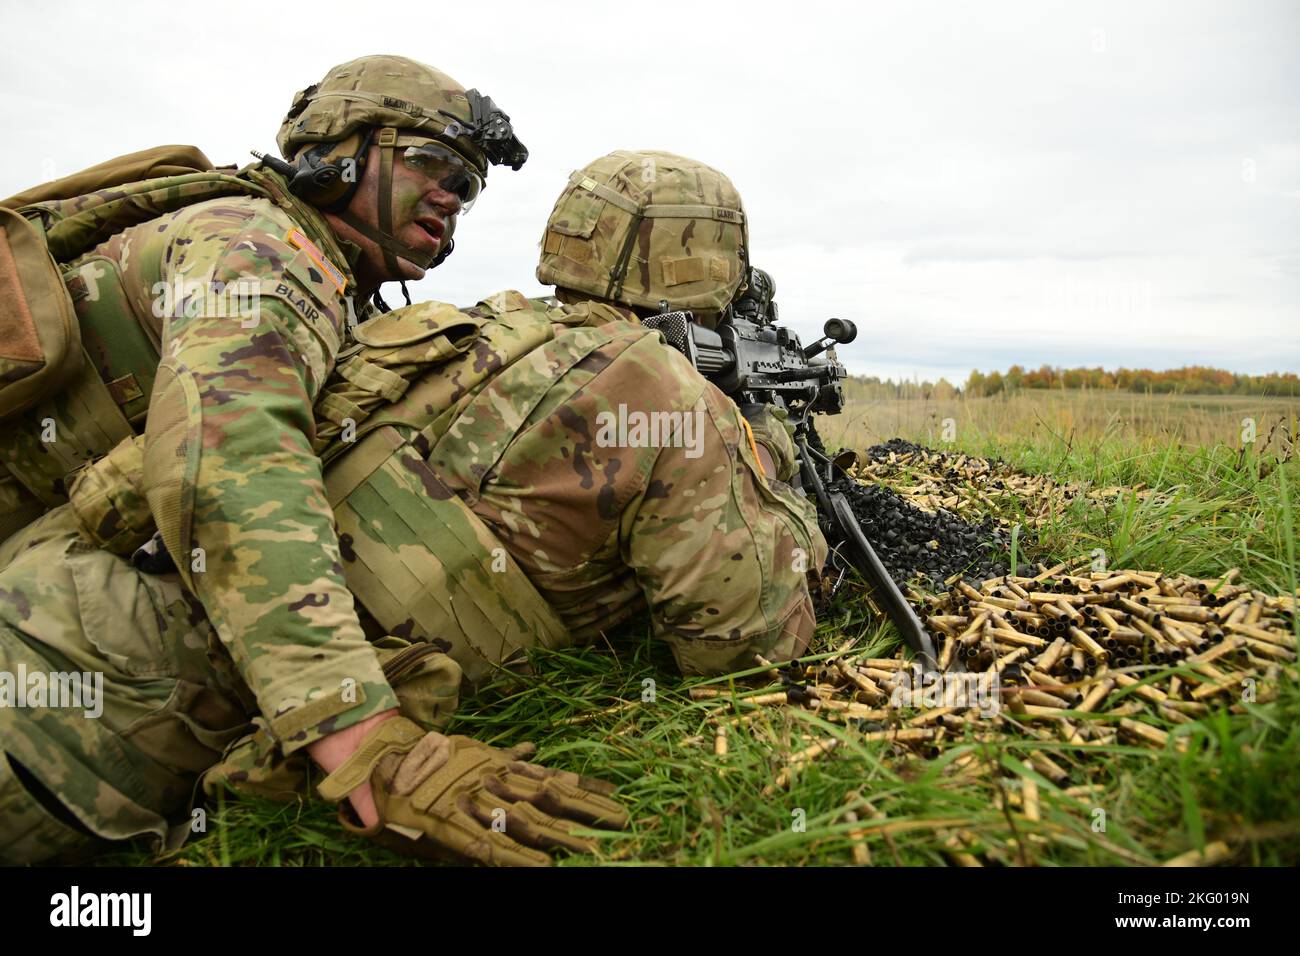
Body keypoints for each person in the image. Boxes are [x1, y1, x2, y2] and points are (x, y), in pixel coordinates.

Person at [0, 55, 595, 867]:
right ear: (339, 154)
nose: (452, 197)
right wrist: (358, 730)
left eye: (468, 184)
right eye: (430, 163)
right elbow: (235, 460)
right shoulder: (262, 250)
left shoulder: (323, 274)